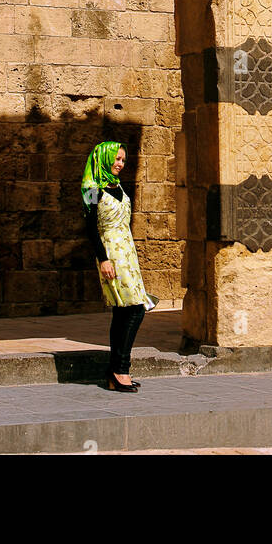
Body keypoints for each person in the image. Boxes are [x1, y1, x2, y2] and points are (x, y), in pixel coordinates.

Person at [81, 139, 157, 392]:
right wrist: (103, 258)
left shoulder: (119, 187)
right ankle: (119, 369)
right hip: (111, 253)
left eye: (123, 160)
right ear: (104, 158)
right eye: (116, 159)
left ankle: (117, 372)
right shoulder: (92, 189)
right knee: (135, 308)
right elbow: (90, 227)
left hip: (128, 253)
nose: (120, 164)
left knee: (125, 311)